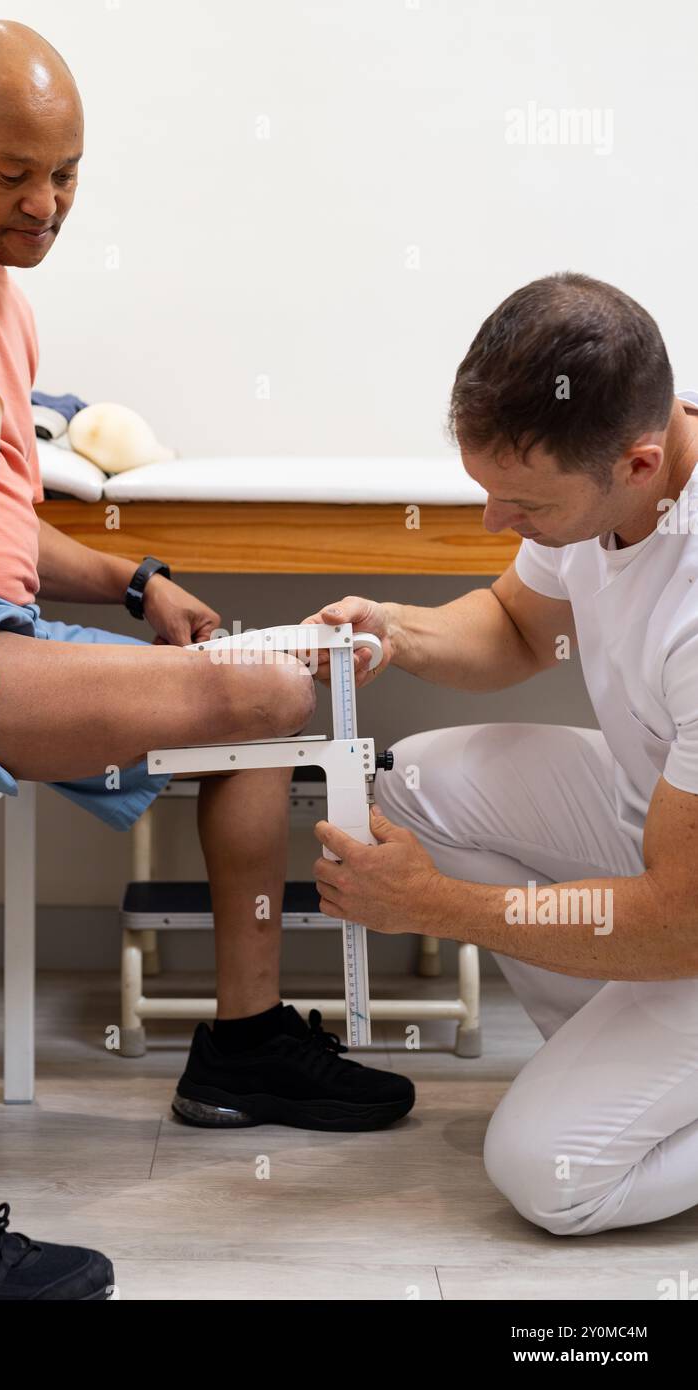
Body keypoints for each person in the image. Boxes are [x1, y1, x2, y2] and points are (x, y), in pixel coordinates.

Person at [0, 20, 411, 1301]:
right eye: (13, 173)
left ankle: (245, 1044)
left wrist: (137, 580)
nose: (45, 205)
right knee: (265, 685)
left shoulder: (5, 302)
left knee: (268, 685)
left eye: (69, 174)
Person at [306, 272, 698, 1236]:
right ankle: (622, 1062)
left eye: (518, 503)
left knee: (554, 1177)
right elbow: (517, 629)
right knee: (420, 784)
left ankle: (624, 1100)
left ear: (640, 465)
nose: (492, 523)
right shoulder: (609, 468)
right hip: (668, 833)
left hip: (690, 904)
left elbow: (686, 921)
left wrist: (433, 907)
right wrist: (392, 627)